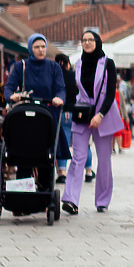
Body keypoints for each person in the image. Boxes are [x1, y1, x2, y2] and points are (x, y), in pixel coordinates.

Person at [63, 30, 123, 214]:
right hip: (83, 114)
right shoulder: (79, 64)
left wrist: (100, 115)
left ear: (97, 42)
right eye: (84, 40)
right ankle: (70, 199)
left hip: (102, 114)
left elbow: (111, 92)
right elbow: (75, 90)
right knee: (78, 157)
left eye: (91, 39)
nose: (87, 43)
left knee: (104, 160)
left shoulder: (108, 64)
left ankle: (102, 200)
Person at [3, 34, 65, 191]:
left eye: (43, 46)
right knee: (24, 154)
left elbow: (61, 89)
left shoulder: (54, 67)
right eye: (37, 47)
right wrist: (12, 96)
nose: (41, 50)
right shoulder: (20, 66)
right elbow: (8, 87)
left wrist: (59, 98)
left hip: (47, 115)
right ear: (30, 48)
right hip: (26, 116)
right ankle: (22, 196)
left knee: (46, 156)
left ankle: (45, 194)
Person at [54, 53, 78, 183]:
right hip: (72, 111)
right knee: (80, 144)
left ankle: (62, 171)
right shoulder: (73, 76)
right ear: (68, 64)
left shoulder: (54, 76)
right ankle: (88, 170)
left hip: (59, 112)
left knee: (62, 141)